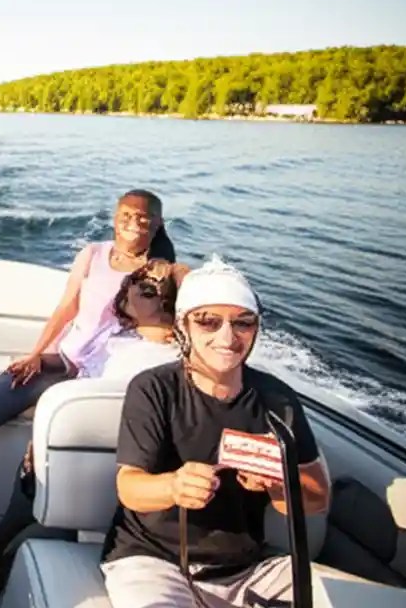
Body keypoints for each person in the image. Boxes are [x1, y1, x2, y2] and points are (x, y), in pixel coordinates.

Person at [100, 256, 331, 608]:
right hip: (154, 561)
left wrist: (276, 484)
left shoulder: (278, 399)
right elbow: (129, 486)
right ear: (183, 327)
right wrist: (174, 486)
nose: (228, 337)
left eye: (243, 323)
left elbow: (318, 497)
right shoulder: (154, 389)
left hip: (250, 567)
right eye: (208, 321)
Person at [0, 259, 183, 601]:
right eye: (135, 279)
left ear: (169, 307)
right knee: (10, 524)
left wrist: (178, 279)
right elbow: (79, 370)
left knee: (71, 531)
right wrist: (38, 360)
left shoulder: (166, 365)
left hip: (114, 463)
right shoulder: (117, 332)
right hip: (57, 449)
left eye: (148, 287)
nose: (132, 285)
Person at [0, 190, 179, 468]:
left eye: (143, 218)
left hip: (108, 369)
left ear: (158, 224)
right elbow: (67, 306)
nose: (133, 223)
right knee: (19, 376)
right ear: (115, 218)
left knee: (52, 431)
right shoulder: (93, 254)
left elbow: (165, 323)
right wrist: (36, 353)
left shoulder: (159, 272)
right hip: (71, 356)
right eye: (126, 215)